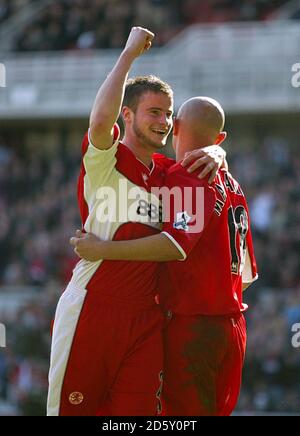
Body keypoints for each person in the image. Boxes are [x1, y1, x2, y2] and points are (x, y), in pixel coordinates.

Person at [47, 27, 225, 416]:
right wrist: (128, 55)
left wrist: (216, 150)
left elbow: (179, 241)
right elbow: (98, 122)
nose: (163, 121)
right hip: (92, 308)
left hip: (146, 317)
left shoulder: (168, 173)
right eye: (153, 112)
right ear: (127, 115)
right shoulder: (105, 161)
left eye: (167, 114)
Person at [70, 96, 258, 416]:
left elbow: (175, 244)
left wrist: (102, 250)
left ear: (176, 127)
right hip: (233, 328)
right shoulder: (233, 183)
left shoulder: (188, 175)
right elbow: (247, 275)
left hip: (192, 326)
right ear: (220, 138)